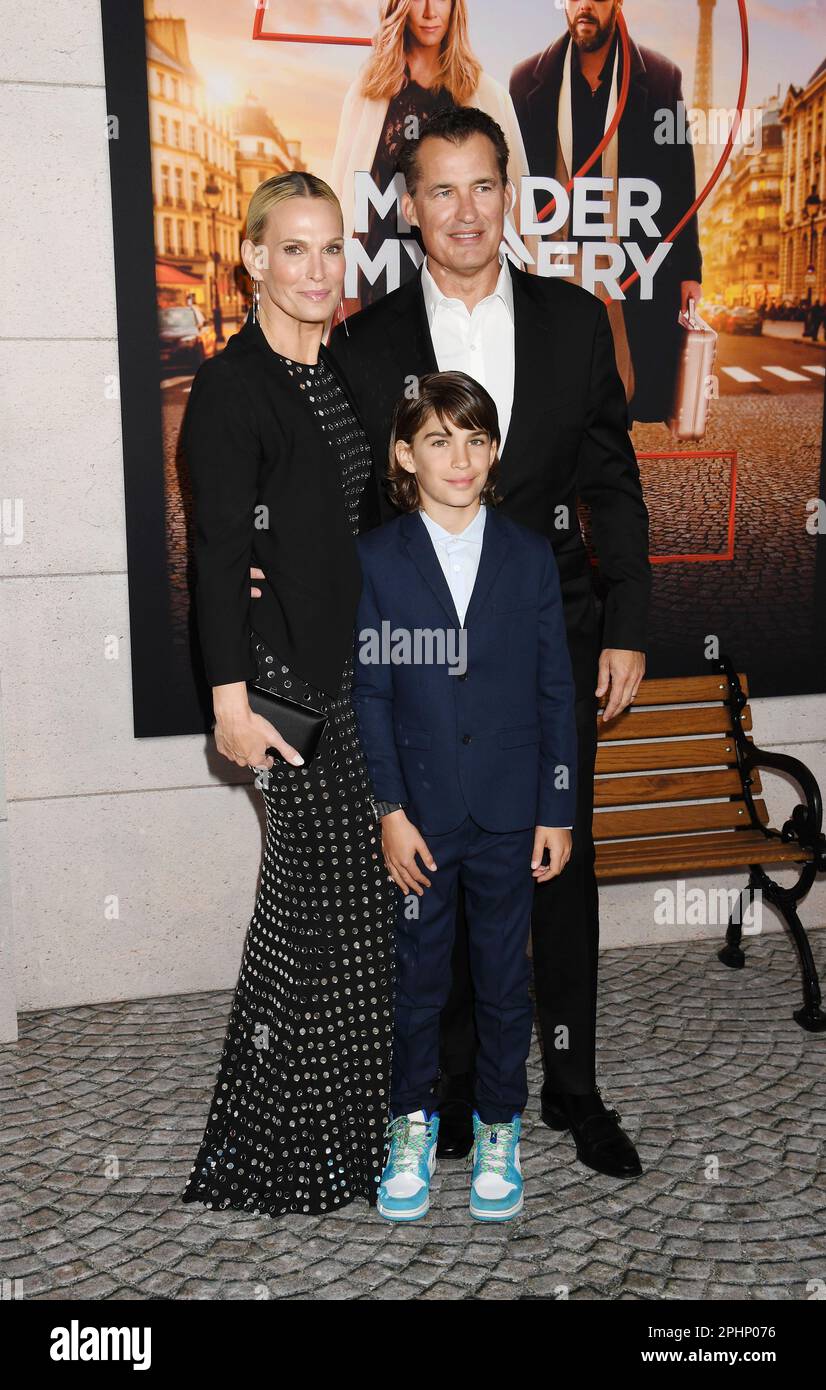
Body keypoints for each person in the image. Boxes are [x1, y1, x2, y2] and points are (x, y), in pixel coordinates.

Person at [326, 105, 650, 1177]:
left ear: (511, 196)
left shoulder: (570, 320)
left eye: (484, 186)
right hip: (421, 653)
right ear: (408, 206)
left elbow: (613, 481)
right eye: (441, 189)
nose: (465, 212)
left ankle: (573, 1085)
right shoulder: (367, 343)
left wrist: (629, 627)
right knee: (444, 864)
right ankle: (458, 1093)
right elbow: (355, 513)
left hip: (552, 631)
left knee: (556, 859)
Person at [179, 171, 396, 1218]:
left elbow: (344, 520)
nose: (315, 270)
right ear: (253, 260)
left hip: (348, 671)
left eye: (329, 249)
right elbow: (217, 557)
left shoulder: (340, 373)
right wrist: (230, 705)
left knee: (342, 907)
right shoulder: (234, 389)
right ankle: (276, 1147)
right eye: (292, 249)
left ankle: (339, 1131)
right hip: (280, 689)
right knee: (319, 902)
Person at [352, 371, 577, 1222]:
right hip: (421, 815)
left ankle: (498, 1126)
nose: (460, 457)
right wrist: (390, 810)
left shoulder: (527, 553)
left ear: (494, 453)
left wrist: (557, 808)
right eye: (439, 440)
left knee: (501, 981)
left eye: (476, 439)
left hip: (512, 810)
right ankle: (409, 1124)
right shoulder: (376, 558)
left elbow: (556, 688)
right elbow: (370, 692)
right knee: (416, 980)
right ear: (406, 455)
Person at [509, 0, 703, 424]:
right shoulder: (525, 82)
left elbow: (678, 177)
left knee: (620, 391)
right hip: (552, 264)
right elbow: (511, 177)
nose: (583, 6)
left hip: (623, 267)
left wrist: (689, 270)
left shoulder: (663, 77)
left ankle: (606, 483)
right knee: (552, 391)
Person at [330, 0, 529, 308]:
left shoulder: (488, 94)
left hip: (467, 281)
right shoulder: (366, 93)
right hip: (380, 276)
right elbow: (344, 205)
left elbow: (519, 213)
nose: (428, 11)